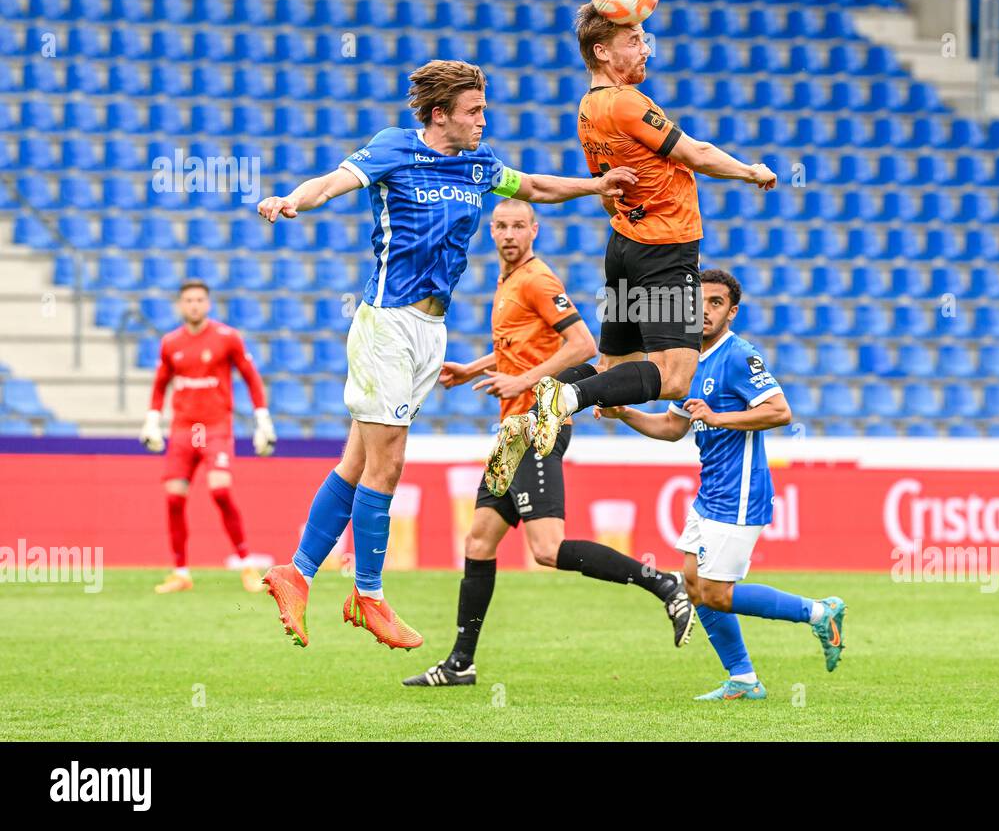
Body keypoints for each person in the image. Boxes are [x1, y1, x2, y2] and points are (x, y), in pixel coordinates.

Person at [254, 59, 635, 650]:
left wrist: (596, 186)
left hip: (433, 331)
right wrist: (292, 199)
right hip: (388, 324)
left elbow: (534, 187)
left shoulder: (479, 166)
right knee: (388, 465)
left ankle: (296, 573)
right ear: (440, 115)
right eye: (474, 111)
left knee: (357, 463)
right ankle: (368, 595)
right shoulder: (394, 150)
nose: (484, 120)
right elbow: (332, 181)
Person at [484, 4, 777, 495]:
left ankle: (540, 407)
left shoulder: (586, 107)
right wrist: (751, 171)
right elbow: (696, 153)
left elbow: (607, 189)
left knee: (615, 369)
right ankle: (564, 397)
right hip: (664, 252)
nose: (645, 46)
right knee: (677, 378)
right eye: (633, 39)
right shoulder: (625, 103)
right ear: (602, 52)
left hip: (624, 247)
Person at [403, 197, 694, 687]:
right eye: (501, 226)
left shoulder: (537, 279)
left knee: (546, 548)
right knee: (477, 540)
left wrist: (522, 385)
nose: (509, 234)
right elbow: (524, 350)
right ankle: (460, 663)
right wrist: (473, 369)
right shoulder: (507, 281)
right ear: (490, 230)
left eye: (519, 225)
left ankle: (664, 584)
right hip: (511, 433)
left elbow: (581, 346)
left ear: (534, 229)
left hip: (537, 427)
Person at [597, 269, 846, 700]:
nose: (706, 311)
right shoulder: (687, 359)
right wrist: (626, 415)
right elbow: (675, 427)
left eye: (716, 303)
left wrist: (716, 417)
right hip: (710, 490)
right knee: (694, 587)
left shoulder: (738, 355)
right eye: (700, 302)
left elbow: (780, 411)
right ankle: (744, 680)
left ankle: (819, 612)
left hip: (741, 492)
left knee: (715, 593)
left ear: (731, 312)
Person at [140, 278, 276, 594]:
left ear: (208, 303)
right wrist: (152, 419)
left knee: (220, 491)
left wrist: (262, 419)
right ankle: (181, 572)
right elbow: (161, 384)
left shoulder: (227, 338)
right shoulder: (170, 343)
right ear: (180, 305)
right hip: (184, 430)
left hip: (215, 428)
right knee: (174, 497)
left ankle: (246, 565)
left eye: (200, 300)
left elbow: (251, 377)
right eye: (188, 300)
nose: (194, 305)